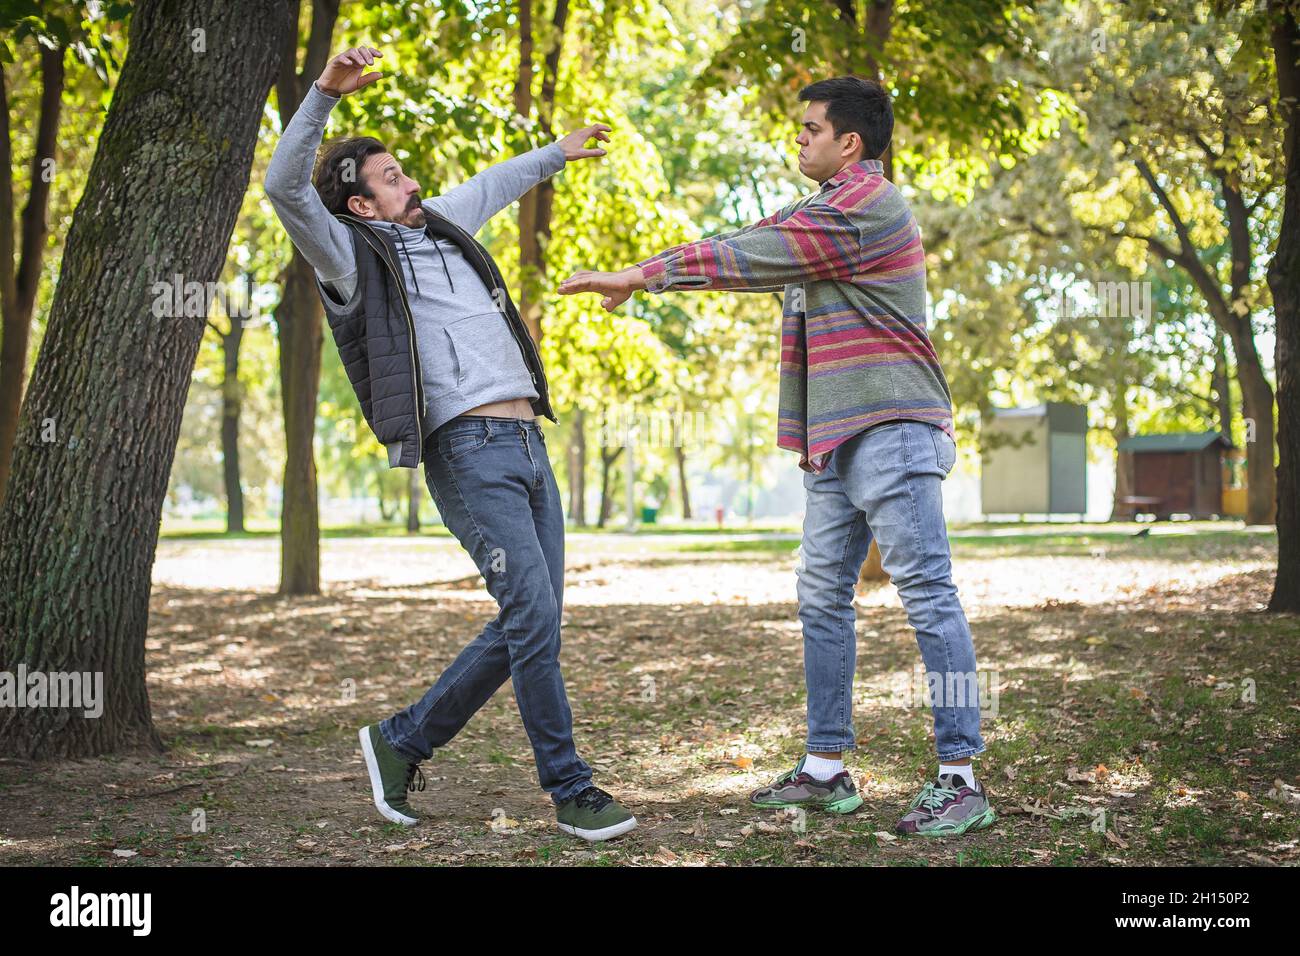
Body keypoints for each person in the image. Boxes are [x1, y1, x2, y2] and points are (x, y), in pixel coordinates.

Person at [558, 76, 994, 837]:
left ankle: (960, 778)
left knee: (927, 591)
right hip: (835, 440)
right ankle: (827, 768)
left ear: (848, 142)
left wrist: (638, 277)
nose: (798, 139)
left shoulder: (863, 207)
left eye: (810, 129)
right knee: (822, 595)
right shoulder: (817, 209)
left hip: (892, 425)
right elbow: (738, 244)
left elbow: (752, 257)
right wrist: (648, 270)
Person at [265, 45, 636, 842]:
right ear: (360, 205)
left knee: (532, 621)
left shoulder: (443, 228)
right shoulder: (350, 257)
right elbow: (283, 187)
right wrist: (325, 93)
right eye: (393, 178)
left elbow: (494, 185)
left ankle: (400, 743)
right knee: (532, 614)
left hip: (528, 444)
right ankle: (570, 789)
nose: (412, 184)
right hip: (468, 452)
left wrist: (557, 153)